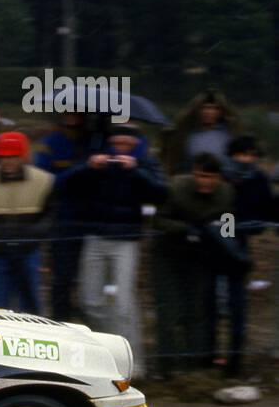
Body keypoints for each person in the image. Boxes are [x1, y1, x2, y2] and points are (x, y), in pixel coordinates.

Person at [58, 123, 166, 378]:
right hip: (94, 236)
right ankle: (109, 351)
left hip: (126, 240)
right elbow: (63, 186)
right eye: (116, 143)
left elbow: (161, 193)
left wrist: (136, 170)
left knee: (124, 303)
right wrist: (88, 166)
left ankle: (134, 364)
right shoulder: (97, 161)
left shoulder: (146, 163)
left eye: (125, 143)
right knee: (89, 300)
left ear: (135, 144)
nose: (120, 148)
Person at [151, 153, 236, 377]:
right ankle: (165, 365)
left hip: (201, 256)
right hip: (169, 253)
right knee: (169, 309)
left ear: (218, 177)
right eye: (200, 175)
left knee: (198, 310)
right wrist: (185, 229)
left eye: (209, 177)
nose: (204, 182)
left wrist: (214, 230)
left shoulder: (227, 194)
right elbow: (158, 220)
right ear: (193, 173)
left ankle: (195, 364)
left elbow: (230, 227)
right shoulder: (176, 187)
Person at [0, 131, 55, 314]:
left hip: (29, 251)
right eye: (3, 157)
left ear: (23, 156)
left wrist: (35, 234)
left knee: (31, 306)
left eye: (13, 157)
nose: (7, 162)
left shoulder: (44, 181)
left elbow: (51, 215)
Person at [218, 137, 273, 377]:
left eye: (251, 155)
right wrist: (230, 229)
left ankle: (235, 360)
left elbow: (264, 210)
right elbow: (222, 211)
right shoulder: (222, 175)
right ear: (232, 154)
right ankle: (210, 358)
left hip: (240, 243)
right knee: (214, 302)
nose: (247, 159)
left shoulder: (258, 178)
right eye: (242, 154)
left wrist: (247, 225)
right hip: (216, 241)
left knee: (237, 305)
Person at [35, 108, 92, 321]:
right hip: (63, 219)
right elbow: (46, 181)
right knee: (61, 280)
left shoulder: (94, 142)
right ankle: (61, 321)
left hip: (91, 219)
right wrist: (80, 169)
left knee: (88, 283)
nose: (73, 117)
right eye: (69, 112)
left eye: (78, 113)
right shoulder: (51, 144)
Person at [163, 89, 236, 175]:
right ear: (197, 110)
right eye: (204, 107)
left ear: (220, 111)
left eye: (214, 108)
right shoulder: (185, 133)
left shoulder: (230, 133)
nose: (209, 112)